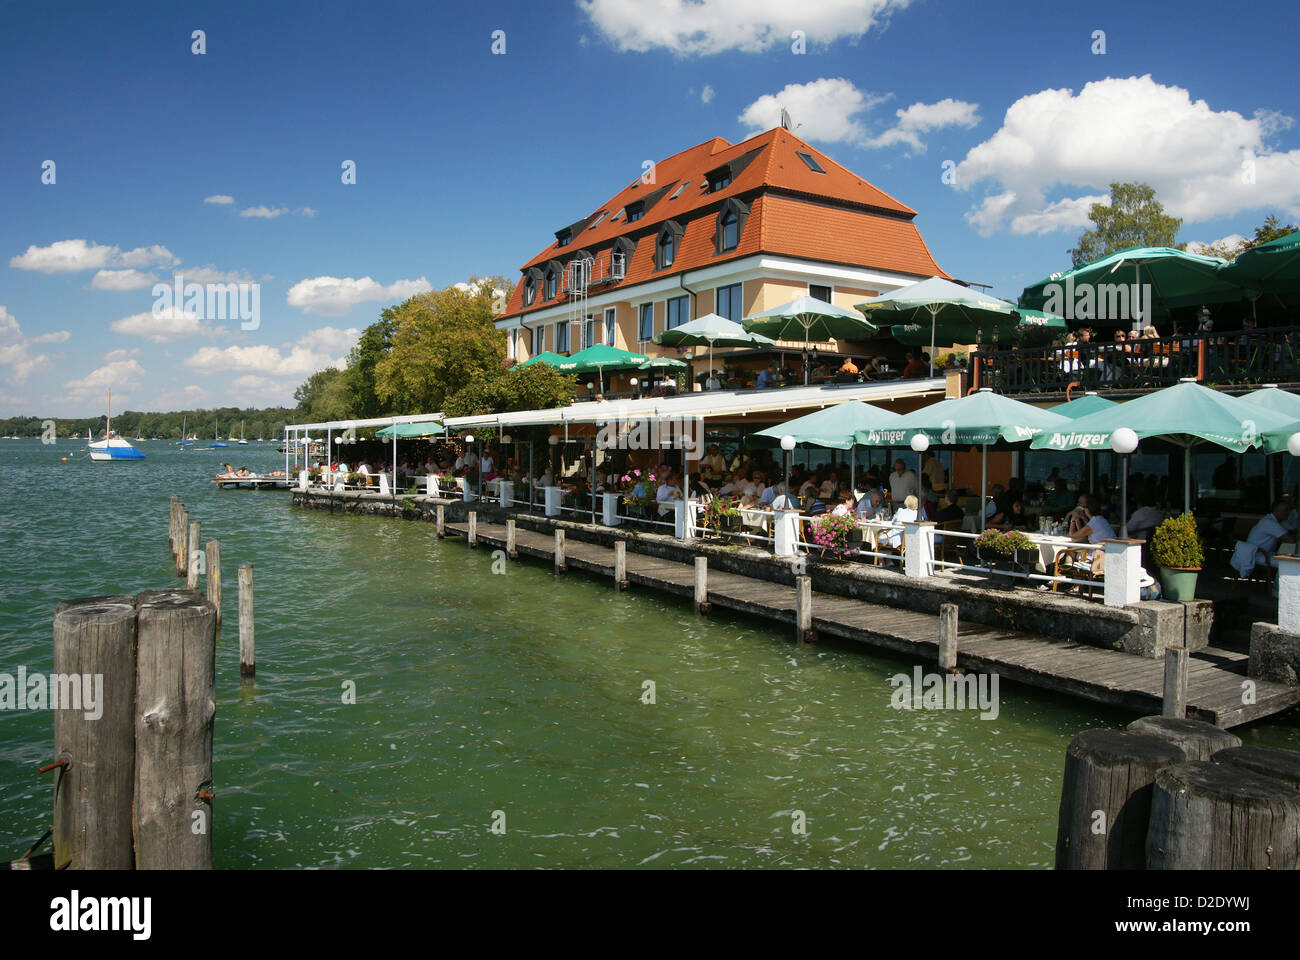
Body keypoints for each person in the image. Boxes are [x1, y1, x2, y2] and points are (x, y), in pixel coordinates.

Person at [1231, 500, 1296, 578]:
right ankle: (1278, 588)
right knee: (1289, 563)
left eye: (1289, 510)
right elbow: (1290, 540)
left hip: (1262, 553)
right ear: (1276, 511)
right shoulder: (1270, 522)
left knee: (1289, 559)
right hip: (1258, 555)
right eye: (1285, 510)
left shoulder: (1272, 520)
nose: (1288, 513)